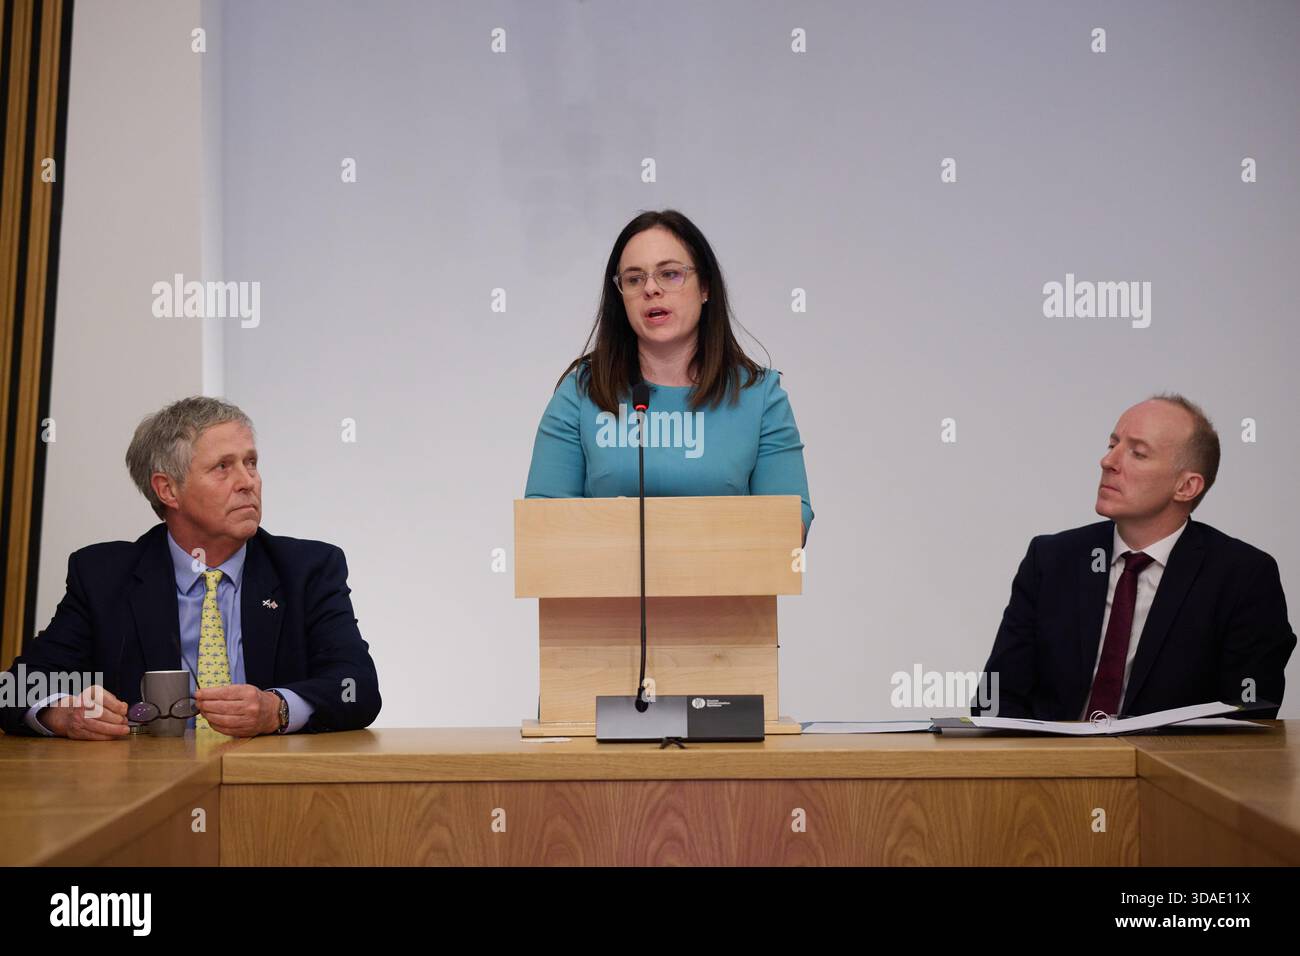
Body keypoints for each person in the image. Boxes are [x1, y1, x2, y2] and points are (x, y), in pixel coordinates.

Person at [0, 396, 382, 738]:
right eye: (223, 467)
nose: (248, 482)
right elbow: (15, 690)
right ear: (168, 490)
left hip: (269, 789)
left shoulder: (307, 569)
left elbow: (357, 686)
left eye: (251, 463)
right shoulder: (104, 576)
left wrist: (277, 709)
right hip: (150, 791)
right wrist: (62, 715)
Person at [976, 394, 1295, 720]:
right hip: (1051, 765)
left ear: (1186, 486)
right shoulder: (1051, 559)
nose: (1108, 461)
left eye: (1138, 453)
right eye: (1111, 444)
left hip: (1170, 768)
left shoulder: (1243, 577)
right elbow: (996, 700)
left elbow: (1247, 719)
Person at [524, 209, 813, 544]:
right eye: (633, 279)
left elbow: (789, 524)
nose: (651, 289)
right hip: (604, 595)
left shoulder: (759, 396)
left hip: (728, 594)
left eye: (670, 274)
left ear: (705, 287)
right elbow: (543, 524)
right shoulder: (581, 393)